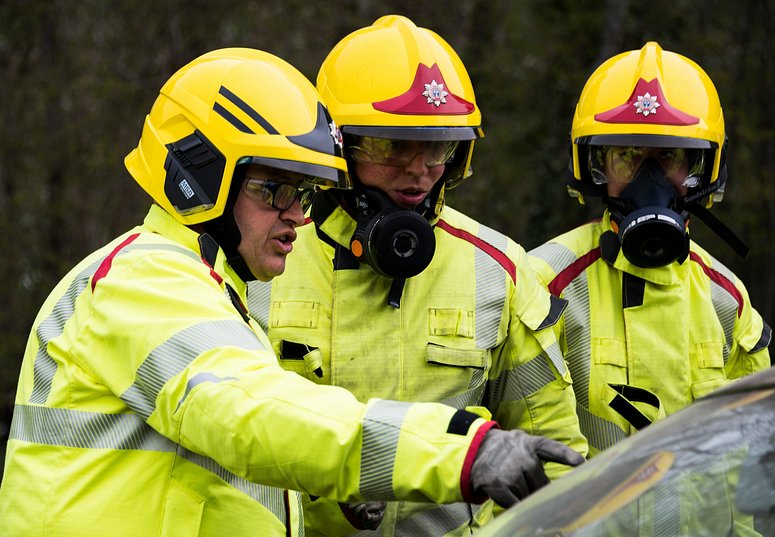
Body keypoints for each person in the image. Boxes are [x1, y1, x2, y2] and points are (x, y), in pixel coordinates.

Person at [0, 48, 584, 536]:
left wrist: (336, 497)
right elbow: (251, 415)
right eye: (275, 190)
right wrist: (462, 451)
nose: (297, 218)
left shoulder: (210, 287)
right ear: (203, 177)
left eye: (304, 194)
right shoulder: (145, 283)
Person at [247, 15, 588, 536]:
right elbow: (226, 433)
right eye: (392, 145)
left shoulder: (499, 270)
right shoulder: (266, 258)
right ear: (338, 144)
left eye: (437, 147)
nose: (420, 169)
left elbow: (555, 463)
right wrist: (321, 488)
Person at [527, 42, 772, 534]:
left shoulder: (728, 300)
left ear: (703, 171)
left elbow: (751, 472)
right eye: (628, 158)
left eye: (672, 160)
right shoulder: (541, 284)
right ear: (594, 168)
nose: (651, 180)